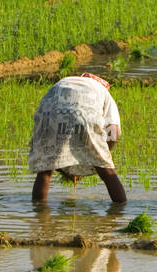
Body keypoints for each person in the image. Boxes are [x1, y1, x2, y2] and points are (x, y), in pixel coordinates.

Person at [29, 73, 126, 204]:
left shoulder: (64, 82)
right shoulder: (102, 91)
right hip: (84, 116)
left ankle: (40, 215)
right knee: (107, 171)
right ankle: (119, 212)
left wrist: (60, 165)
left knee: (45, 170)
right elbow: (113, 132)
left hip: (48, 115)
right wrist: (103, 156)